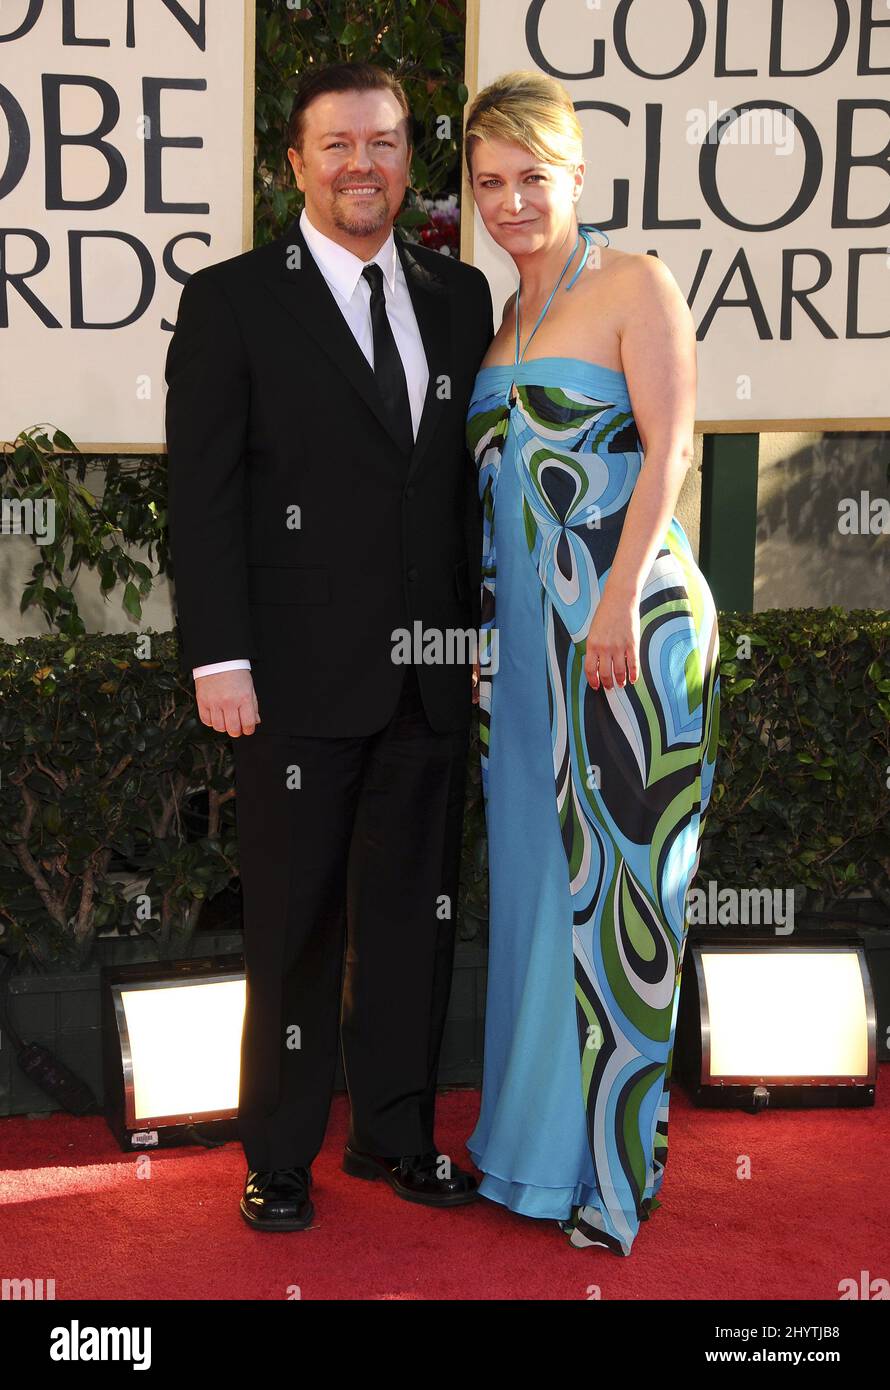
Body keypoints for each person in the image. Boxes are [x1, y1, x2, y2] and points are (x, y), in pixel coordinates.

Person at [165, 62, 494, 1231]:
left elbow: (455, 496)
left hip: (427, 678)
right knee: (295, 924)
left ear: (413, 156)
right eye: (338, 145)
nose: (365, 164)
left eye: (386, 142)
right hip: (293, 683)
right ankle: (282, 1153)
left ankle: (396, 1135)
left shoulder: (459, 297)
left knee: (415, 916)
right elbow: (200, 500)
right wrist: (219, 660)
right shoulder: (237, 299)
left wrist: (474, 637)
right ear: (293, 164)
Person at [463, 71, 721, 1256]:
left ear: (575, 176)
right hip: (517, 660)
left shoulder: (633, 283)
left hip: (623, 636)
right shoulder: (498, 320)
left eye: (532, 177)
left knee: (616, 901)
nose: (511, 200)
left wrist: (613, 600)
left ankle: (605, 1175)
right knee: (530, 895)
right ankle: (524, 1155)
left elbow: (670, 448)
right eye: (489, 182)